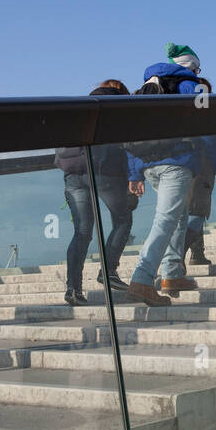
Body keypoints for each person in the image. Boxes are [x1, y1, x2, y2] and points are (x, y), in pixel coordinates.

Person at [124, 46, 216, 306]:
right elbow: (208, 128)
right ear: (191, 68)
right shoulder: (195, 87)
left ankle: (172, 274)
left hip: (149, 164)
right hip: (177, 163)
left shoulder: (146, 86)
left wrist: (135, 172)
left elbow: (131, 133)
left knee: (178, 216)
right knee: (166, 220)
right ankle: (143, 279)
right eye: (197, 69)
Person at [55, 81, 137, 306]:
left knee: (82, 232)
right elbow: (126, 145)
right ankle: (108, 271)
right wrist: (133, 176)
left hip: (72, 175)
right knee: (122, 219)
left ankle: (73, 289)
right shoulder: (114, 106)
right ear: (121, 92)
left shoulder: (81, 108)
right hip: (104, 172)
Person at [184, 77, 216, 267]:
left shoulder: (184, 111)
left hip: (186, 166)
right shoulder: (204, 110)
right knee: (197, 211)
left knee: (193, 209)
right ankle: (176, 258)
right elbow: (210, 140)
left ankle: (197, 253)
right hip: (202, 167)